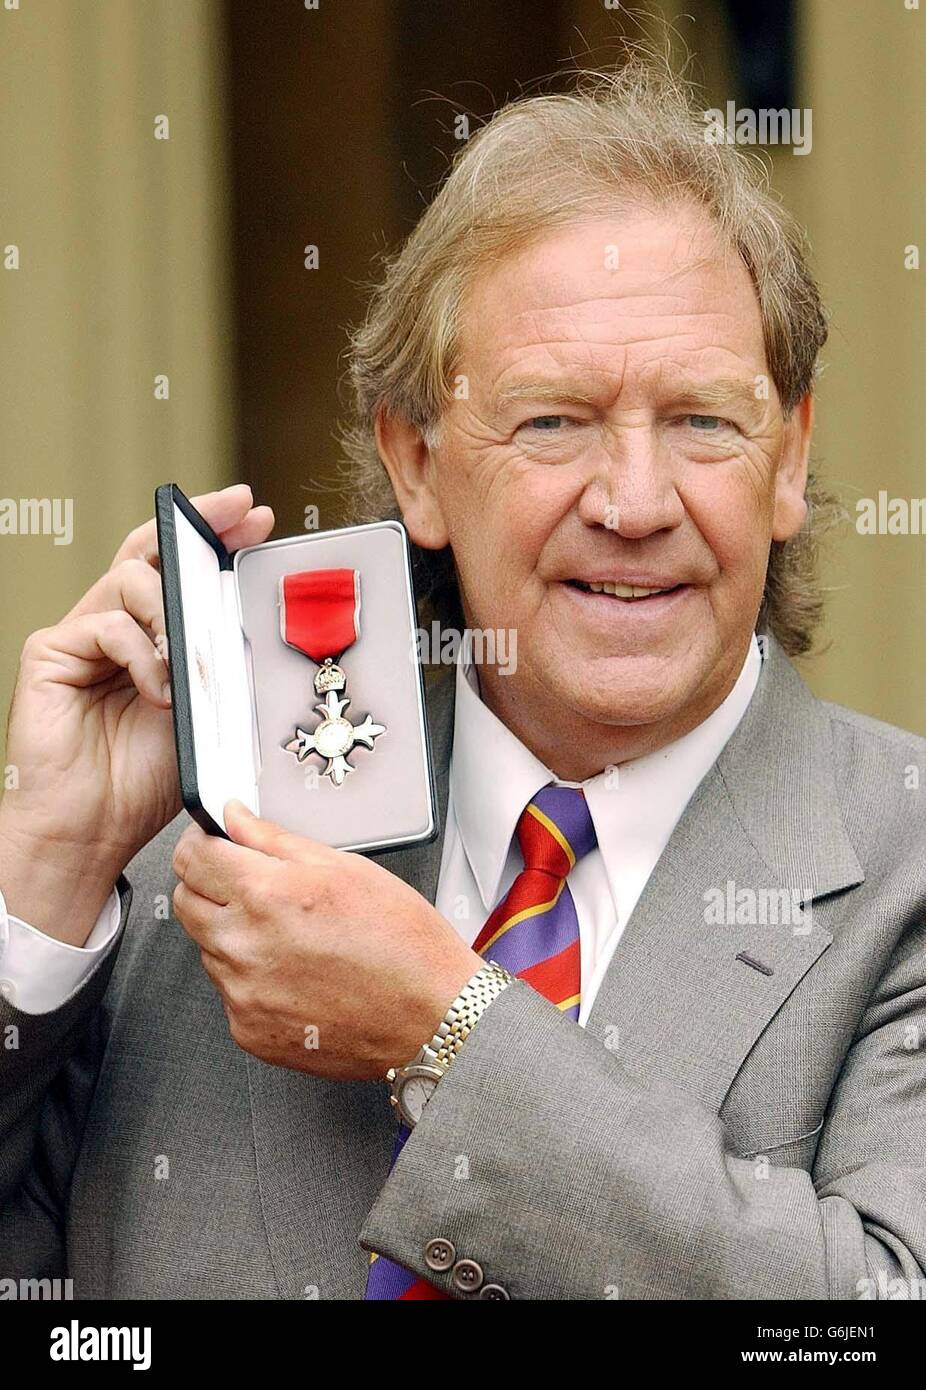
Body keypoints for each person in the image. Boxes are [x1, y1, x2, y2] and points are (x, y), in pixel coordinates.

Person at [1, 58, 924, 1301]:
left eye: (703, 420)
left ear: (787, 456)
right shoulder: (210, 851)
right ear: (417, 461)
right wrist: (43, 887)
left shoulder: (901, 858)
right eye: (551, 421)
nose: (634, 502)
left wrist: (448, 1027)